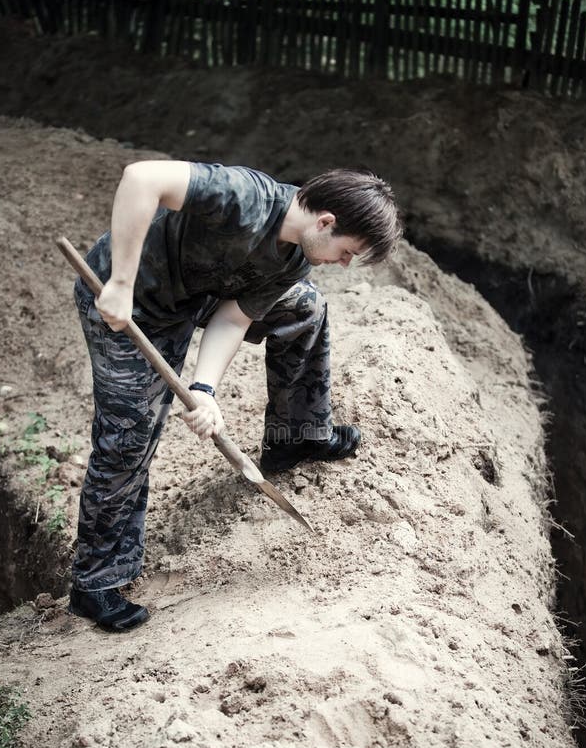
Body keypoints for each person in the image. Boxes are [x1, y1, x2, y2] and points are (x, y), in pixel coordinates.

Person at [68, 161, 402, 632]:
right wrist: (120, 282)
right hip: (127, 304)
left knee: (305, 305)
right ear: (325, 222)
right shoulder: (244, 198)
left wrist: (204, 390)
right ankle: (96, 582)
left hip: (198, 295)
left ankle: (296, 435)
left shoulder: (296, 257)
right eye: (347, 252)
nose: (344, 264)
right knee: (130, 434)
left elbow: (234, 317)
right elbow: (141, 177)